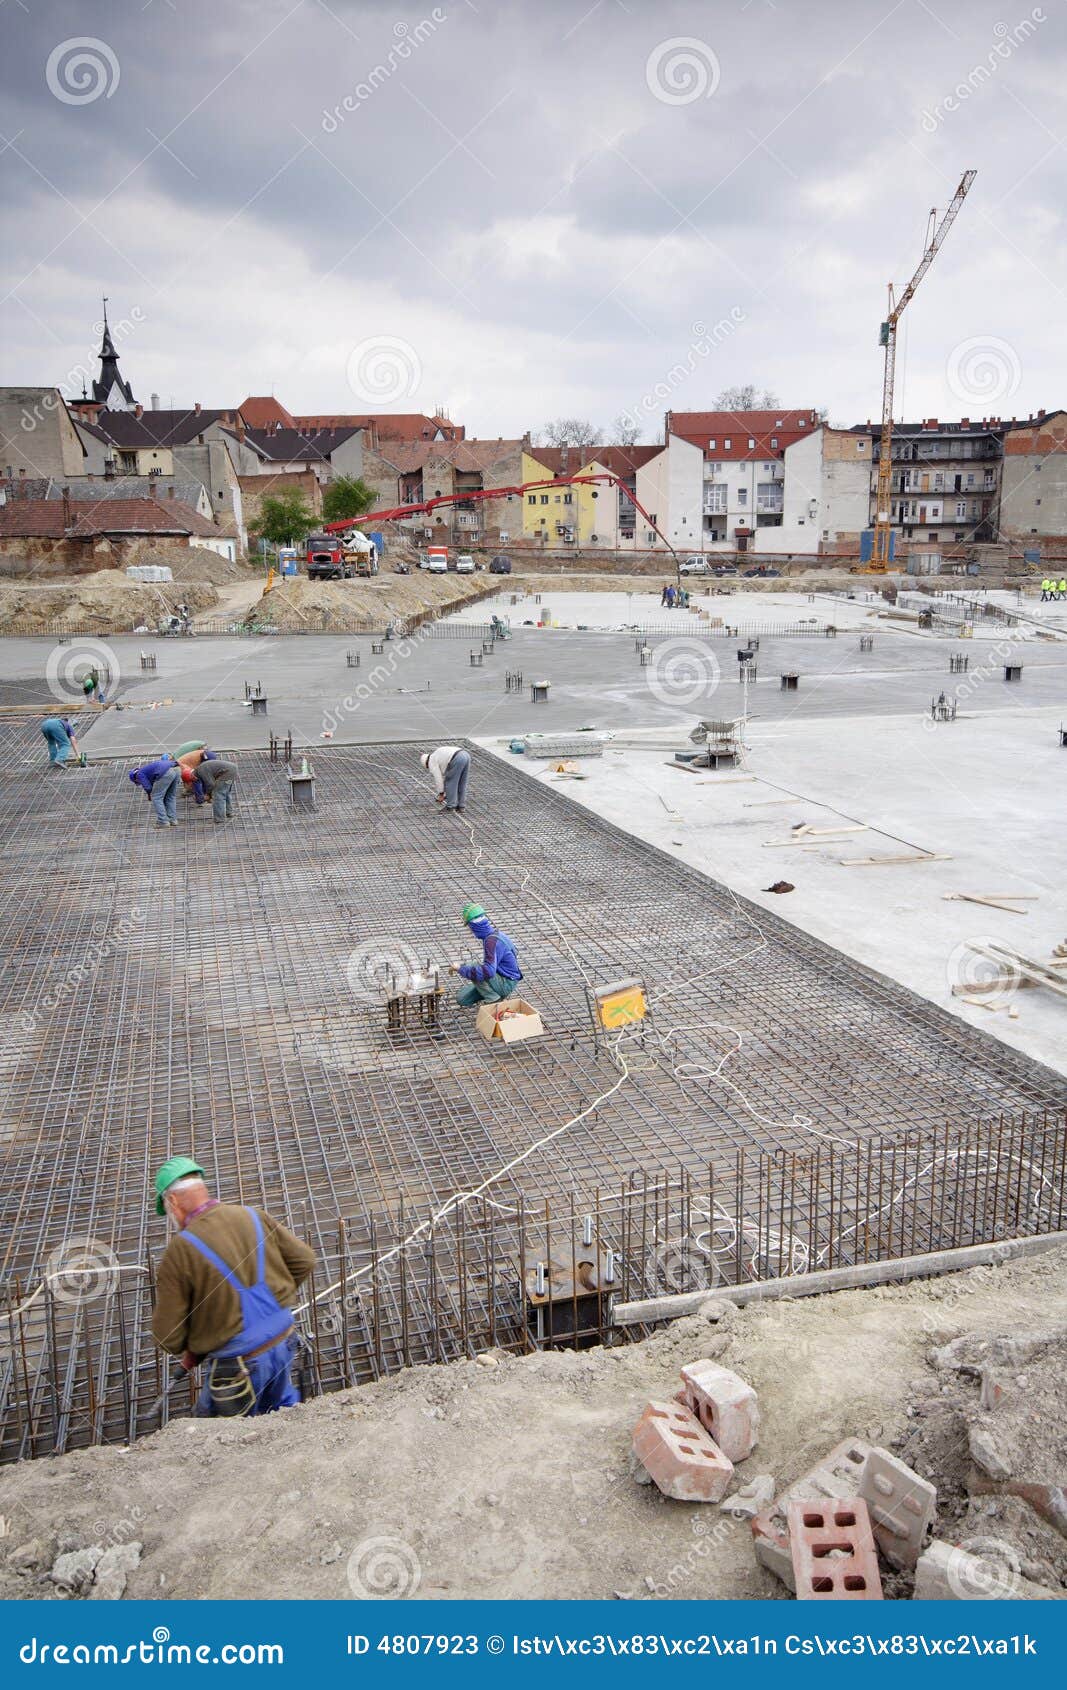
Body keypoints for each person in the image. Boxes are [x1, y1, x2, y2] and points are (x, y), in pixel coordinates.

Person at [151, 1157, 315, 1419]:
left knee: (212, 1432)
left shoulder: (180, 1250)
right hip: (284, 1336)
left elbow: (167, 1337)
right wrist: (273, 1300)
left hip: (241, 1361)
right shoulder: (252, 1215)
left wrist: (205, 1335)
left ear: (172, 1202)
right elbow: (305, 1260)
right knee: (284, 1415)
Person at [450, 903, 523, 1007]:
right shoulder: (494, 935)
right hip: (501, 978)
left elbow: (488, 971)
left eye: (470, 928)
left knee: (473, 966)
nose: (471, 932)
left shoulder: (491, 941)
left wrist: (460, 969)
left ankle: (493, 999)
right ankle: (491, 992)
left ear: (474, 926)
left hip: (506, 982)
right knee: (462, 999)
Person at [129, 753, 180, 826]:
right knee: (170, 796)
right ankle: (173, 820)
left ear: (135, 778)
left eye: (137, 782)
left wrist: (149, 794)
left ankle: (163, 821)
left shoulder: (139, 774)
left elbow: (148, 787)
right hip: (176, 769)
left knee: (156, 797)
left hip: (166, 772)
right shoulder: (147, 770)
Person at [422, 745, 470, 813]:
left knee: (450, 782)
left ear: (426, 763)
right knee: (462, 782)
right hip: (466, 755)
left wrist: (441, 793)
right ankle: (461, 806)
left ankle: (451, 806)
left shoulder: (431, 761)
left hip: (457, 758)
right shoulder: (436, 754)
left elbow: (438, 779)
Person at [196, 754, 237, 823]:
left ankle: (219, 819)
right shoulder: (201, 768)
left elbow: (211, 784)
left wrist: (208, 795)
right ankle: (229, 812)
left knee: (218, 794)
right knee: (226, 792)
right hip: (232, 768)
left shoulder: (201, 771)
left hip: (227, 772)